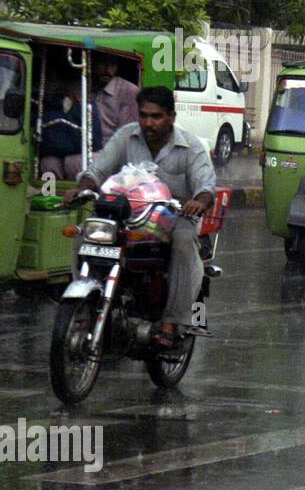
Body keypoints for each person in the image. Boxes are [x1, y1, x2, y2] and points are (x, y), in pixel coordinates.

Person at [63, 86, 216, 348]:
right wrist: (84, 187)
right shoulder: (126, 136)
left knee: (182, 244)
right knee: (85, 236)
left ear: (171, 117)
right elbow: (97, 170)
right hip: (130, 215)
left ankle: (171, 320)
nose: (148, 123)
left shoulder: (191, 147)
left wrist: (198, 202)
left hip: (176, 216)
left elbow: (206, 186)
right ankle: (87, 305)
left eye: (156, 116)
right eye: (143, 115)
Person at [37, 80, 101, 180]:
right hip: (57, 152)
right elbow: (45, 138)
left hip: (78, 153)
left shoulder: (89, 108)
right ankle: (49, 194)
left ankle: (79, 191)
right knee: (48, 163)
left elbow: (95, 142)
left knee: (74, 163)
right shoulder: (51, 105)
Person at [90, 53, 139, 143]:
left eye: (112, 64)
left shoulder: (128, 90)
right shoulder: (85, 86)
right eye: (102, 63)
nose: (107, 70)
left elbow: (127, 134)